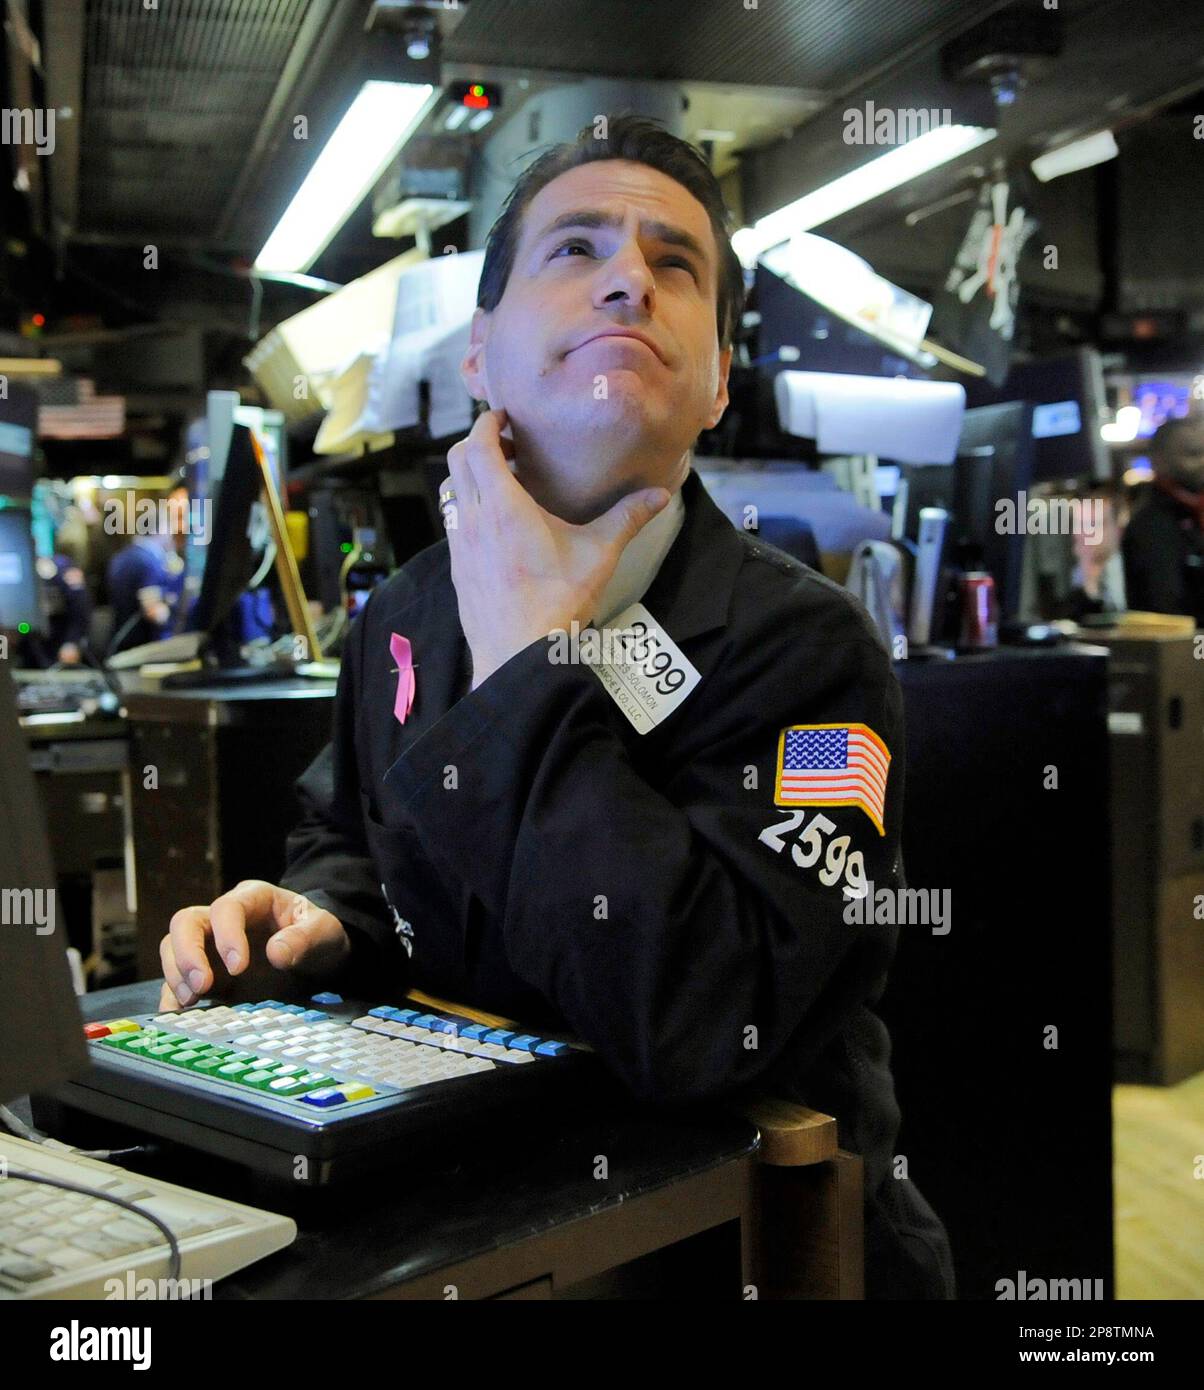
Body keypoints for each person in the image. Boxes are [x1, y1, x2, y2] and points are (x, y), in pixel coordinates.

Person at [156, 114, 955, 1299]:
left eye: (674, 263)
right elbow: (353, 840)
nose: (629, 277)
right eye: (574, 249)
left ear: (720, 378)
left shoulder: (819, 657)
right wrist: (322, 918)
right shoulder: (402, 620)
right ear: (480, 355)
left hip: (741, 1254)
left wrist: (536, 659)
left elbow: (703, 1022)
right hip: (472, 1224)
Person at [1122, 414, 1204, 625]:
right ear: (1159, 461)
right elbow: (1167, 608)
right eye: (1193, 454)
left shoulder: (1195, 511)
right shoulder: (1152, 525)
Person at [105, 481, 189, 653]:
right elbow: (153, 612)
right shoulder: (149, 562)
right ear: (161, 528)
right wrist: (182, 620)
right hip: (140, 648)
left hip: (120, 642)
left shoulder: (123, 556)